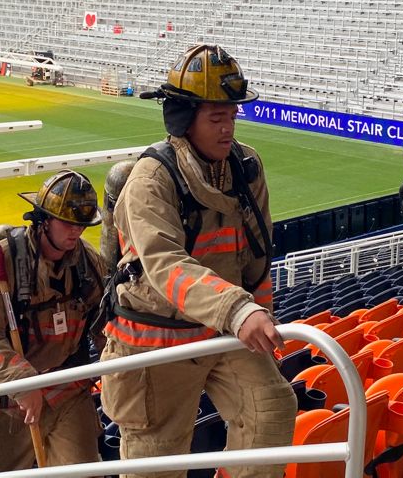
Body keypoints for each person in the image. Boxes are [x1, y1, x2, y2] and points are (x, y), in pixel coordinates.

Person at [101, 44, 295, 478]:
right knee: (158, 459)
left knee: (271, 408)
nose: (228, 128)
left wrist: (261, 317)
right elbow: (165, 264)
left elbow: (257, 258)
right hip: (157, 341)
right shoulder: (150, 180)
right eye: (216, 118)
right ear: (184, 119)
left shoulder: (246, 167)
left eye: (232, 116)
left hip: (220, 331)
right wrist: (239, 310)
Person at [0, 170, 108, 471]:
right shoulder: (0, 266)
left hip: (66, 392)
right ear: (44, 220)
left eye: (81, 224)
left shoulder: (88, 263)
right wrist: (23, 383)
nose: (76, 232)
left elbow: (102, 325)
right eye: (67, 222)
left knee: (84, 471)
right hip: (6, 401)